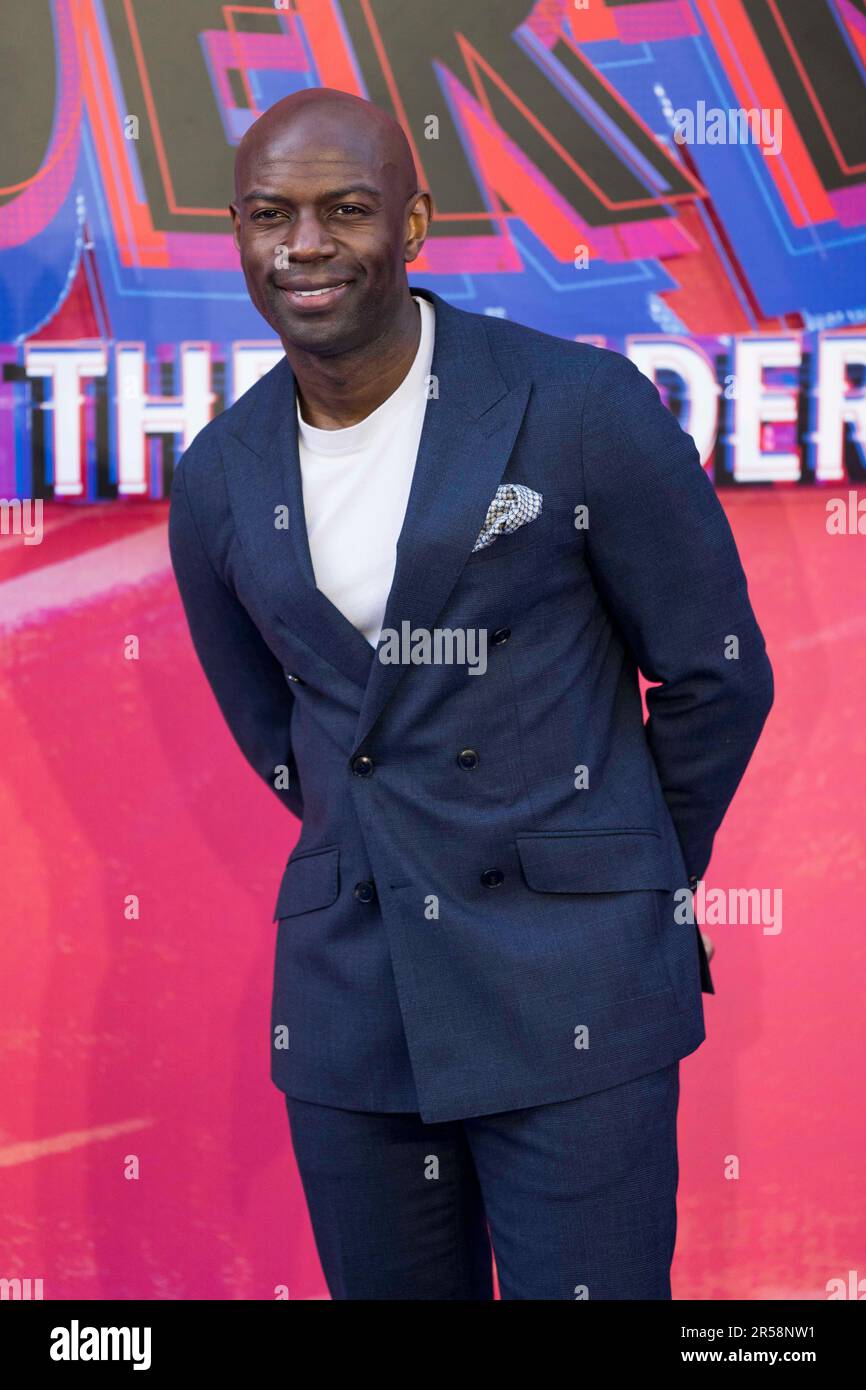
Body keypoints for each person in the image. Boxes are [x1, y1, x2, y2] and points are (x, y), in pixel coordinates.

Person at [168, 88, 773, 1300]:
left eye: (345, 210)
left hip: (575, 988)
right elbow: (280, 730)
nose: (304, 245)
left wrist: (618, 877)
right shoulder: (218, 477)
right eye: (270, 215)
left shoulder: (577, 406)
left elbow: (715, 673)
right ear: (237, 233)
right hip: (353, 1008)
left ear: (413, 221)